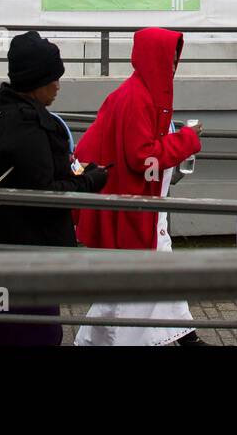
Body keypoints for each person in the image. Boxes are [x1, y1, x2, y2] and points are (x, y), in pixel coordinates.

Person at [0, 30, 108, 346]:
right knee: (34, 329)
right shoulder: (28, 127)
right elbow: (45, 193)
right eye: (53, 78)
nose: (58, 85)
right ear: (36, 81)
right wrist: (91, 181)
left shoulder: (5, 110)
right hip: (23, 250)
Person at [72, 27, 205, 346]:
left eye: (176, 58)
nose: (173, 64)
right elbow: (140, 157)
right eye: (169, 57)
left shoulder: (134, 93)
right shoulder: (139, 98)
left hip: (129, 202)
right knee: (137, 281)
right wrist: (187, 140)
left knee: (150, 273)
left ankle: (185, 337)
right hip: (134, 206)